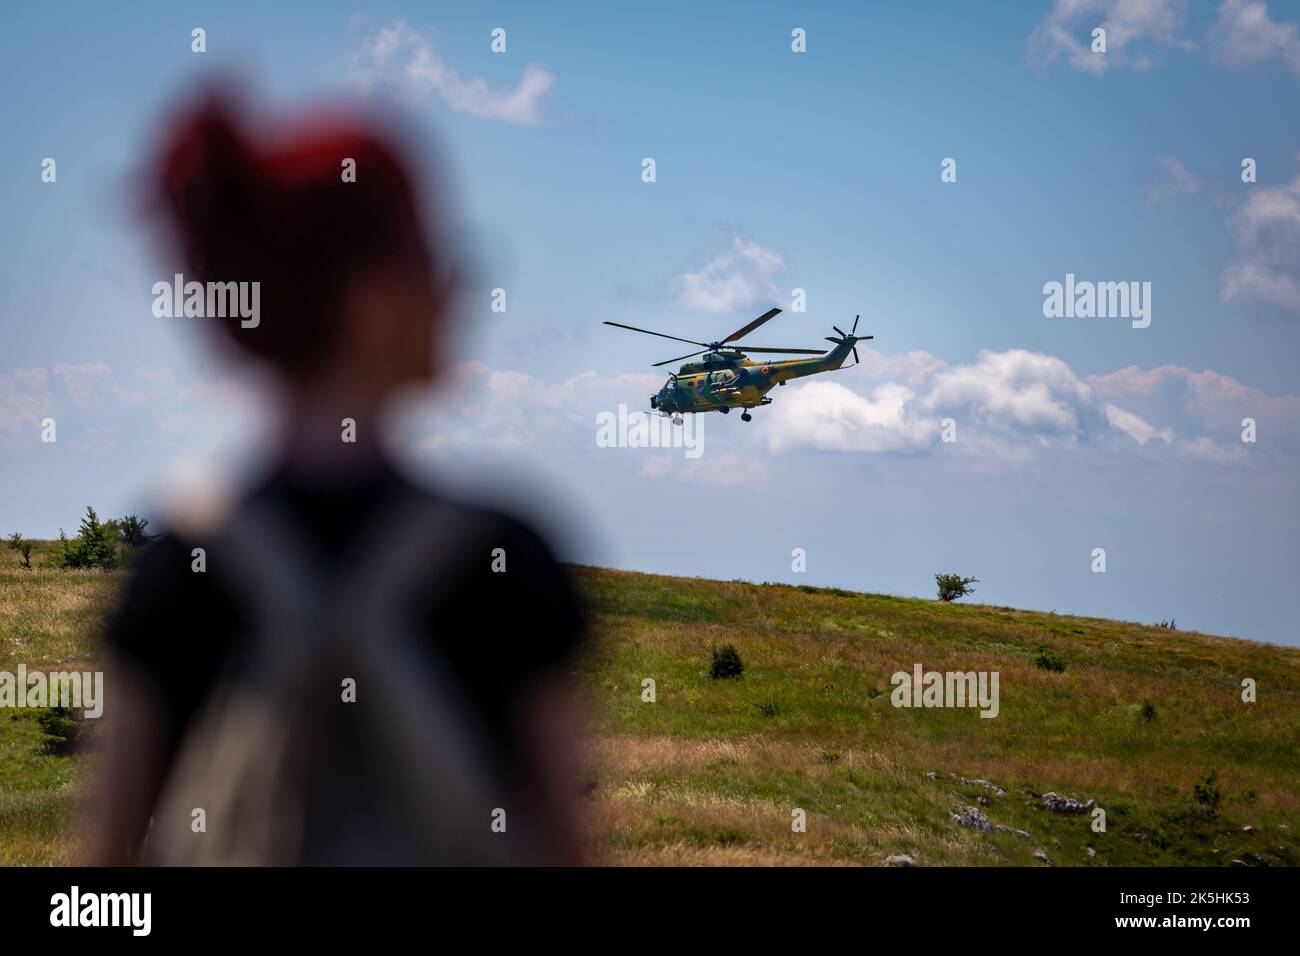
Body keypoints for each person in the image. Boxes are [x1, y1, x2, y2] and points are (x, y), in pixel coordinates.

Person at [87, 89, 587, 865]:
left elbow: (101, 885)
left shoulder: (174, 572)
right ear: (374, 301)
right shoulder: (507, 562)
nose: (455, 294)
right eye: (438, 262)